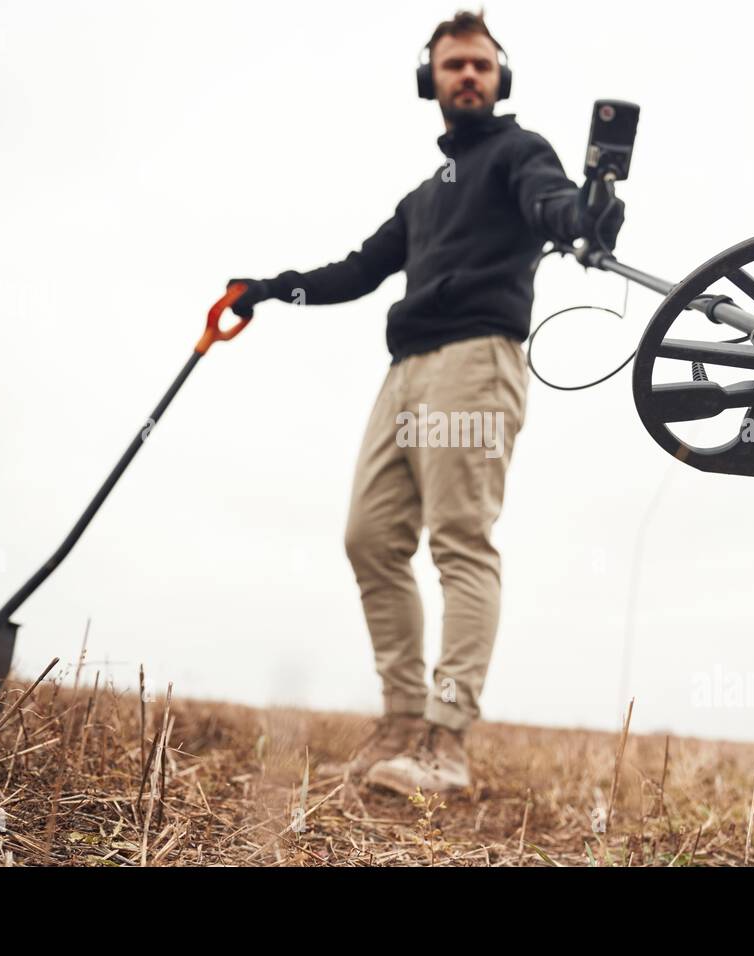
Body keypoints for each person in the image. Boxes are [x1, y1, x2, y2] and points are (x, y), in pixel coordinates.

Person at [227, 9, 625, 794]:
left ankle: (445, 741)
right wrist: (268, 290)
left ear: (499, 78)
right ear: (430, 81)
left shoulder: (521, 152)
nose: (468, 76)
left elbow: (554, 204)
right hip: (404, 370)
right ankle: (402, 721)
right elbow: (356, 270)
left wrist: (586, 212)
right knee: (369, 539)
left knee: (460, 541)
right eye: (454, 66)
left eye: (481, 65)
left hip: (477, 361)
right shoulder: (422, 198)